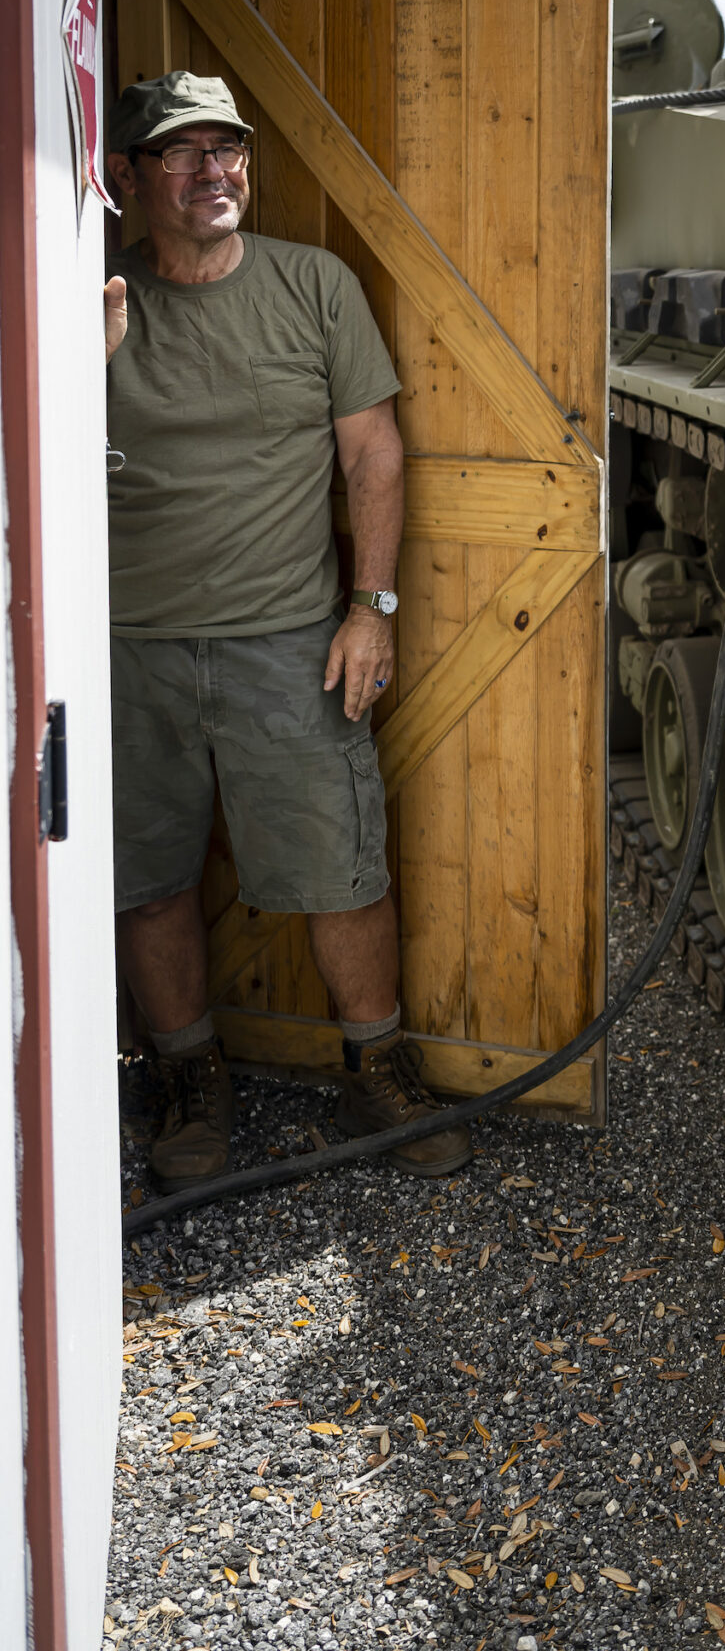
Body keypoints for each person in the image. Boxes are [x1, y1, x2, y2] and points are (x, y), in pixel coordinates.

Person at [103, 71, 470, 1186]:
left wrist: (373, 607)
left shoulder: (314, 285)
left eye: (228, 149)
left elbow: (373, 453)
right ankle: (187, 1077)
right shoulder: (94, 302)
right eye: (182, 153)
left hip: (291, 637)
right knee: (149, 875)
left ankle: (378, 1066)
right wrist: (88, 352)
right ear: (127, 179)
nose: (214, 172)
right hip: (125, 644)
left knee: (342, 865)